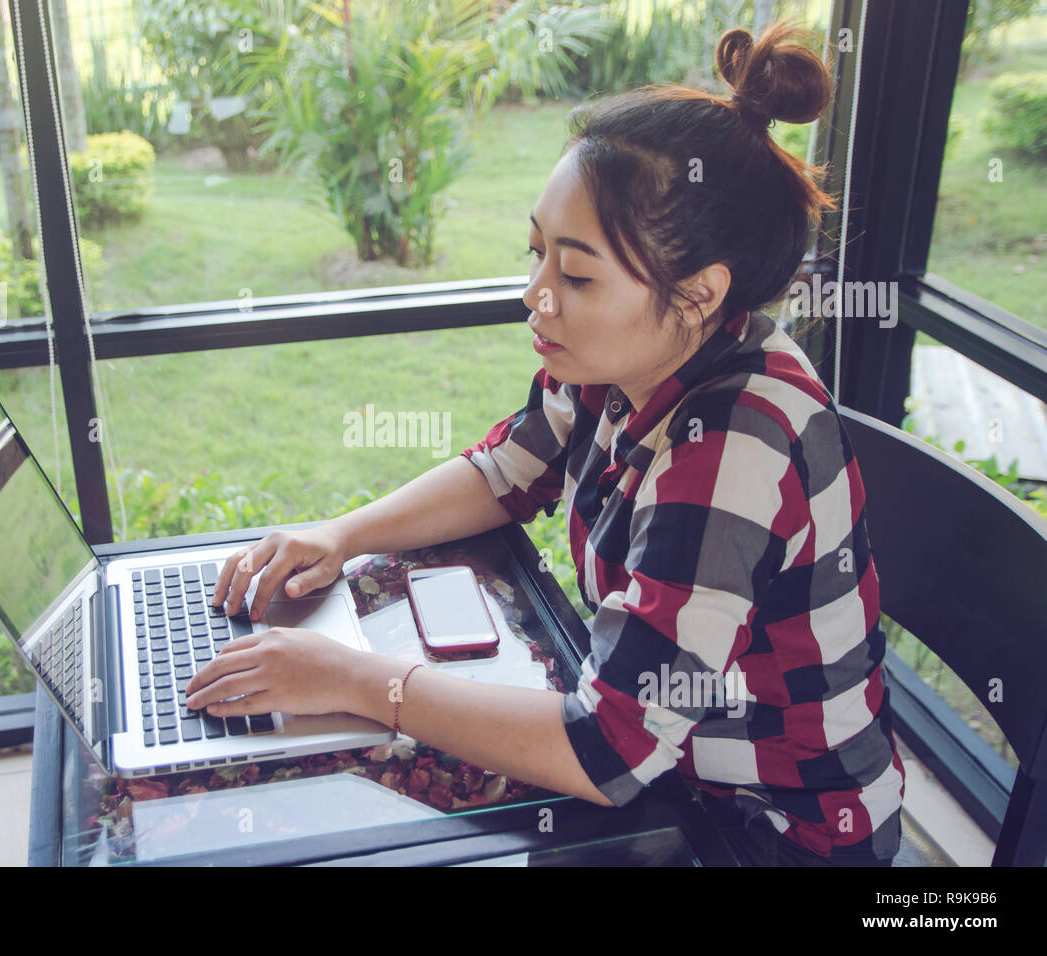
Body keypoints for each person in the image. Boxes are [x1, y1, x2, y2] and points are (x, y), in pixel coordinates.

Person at [184, 20, 905, 866]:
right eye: (537, 254)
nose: (536, 295)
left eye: (577, 273)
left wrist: (354, 681)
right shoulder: (629, 355)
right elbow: (503, 473)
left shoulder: (737, 443)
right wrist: (341, 535)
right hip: (670, 774)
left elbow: (607, 751)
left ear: (700, 293)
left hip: (766, 833)